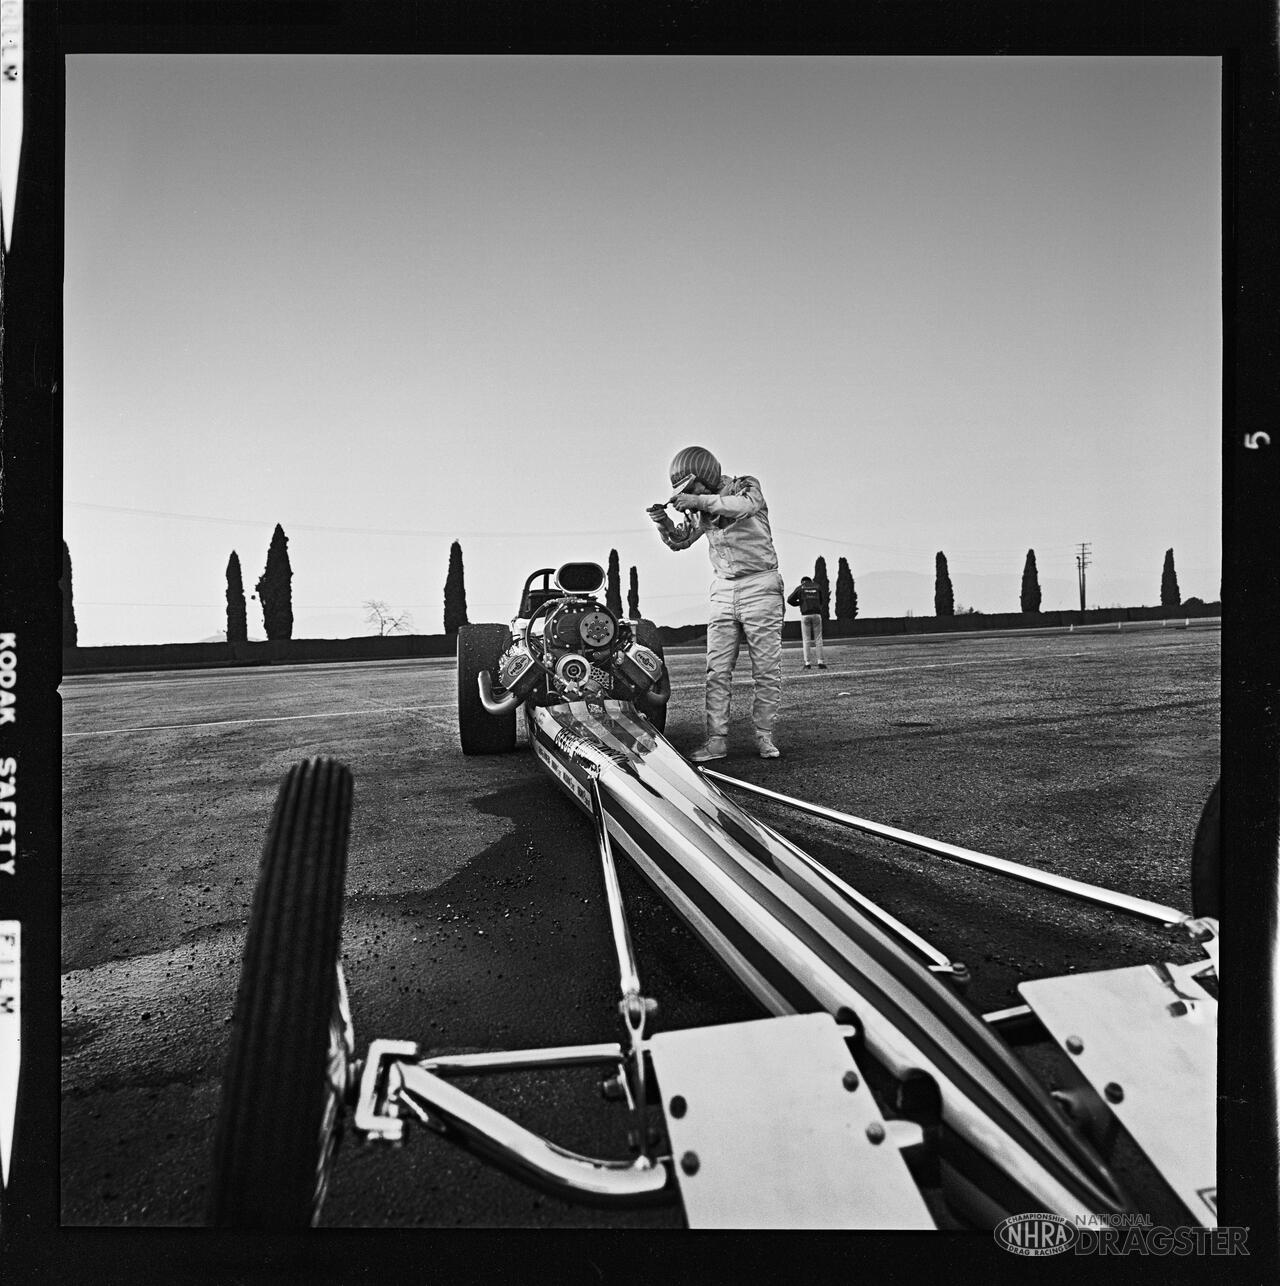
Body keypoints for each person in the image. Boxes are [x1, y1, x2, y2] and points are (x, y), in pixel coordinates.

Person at [646, 446, 785, 761]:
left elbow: (745, 507)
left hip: (760, 585)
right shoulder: (700, 508)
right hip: (723, 588)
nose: (690, 494)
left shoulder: (744, 486)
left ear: (706, 476)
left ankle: (764, 737)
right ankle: (717, 741)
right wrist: (663, 523)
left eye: (692, 487)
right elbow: (680, 541)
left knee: (765, 670)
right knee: (717, 671)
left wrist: (697, 501)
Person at [787, 575, 827, 669]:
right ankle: (820, 662)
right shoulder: (817, 586)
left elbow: (789, 599)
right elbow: (822, 600)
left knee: (806, 640)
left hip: (805, 615)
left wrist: (800, 603)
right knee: (818, 639)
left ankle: (807, 663)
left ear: (802, 582)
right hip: (816, 614)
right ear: (811, 581)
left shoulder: (800, 588)